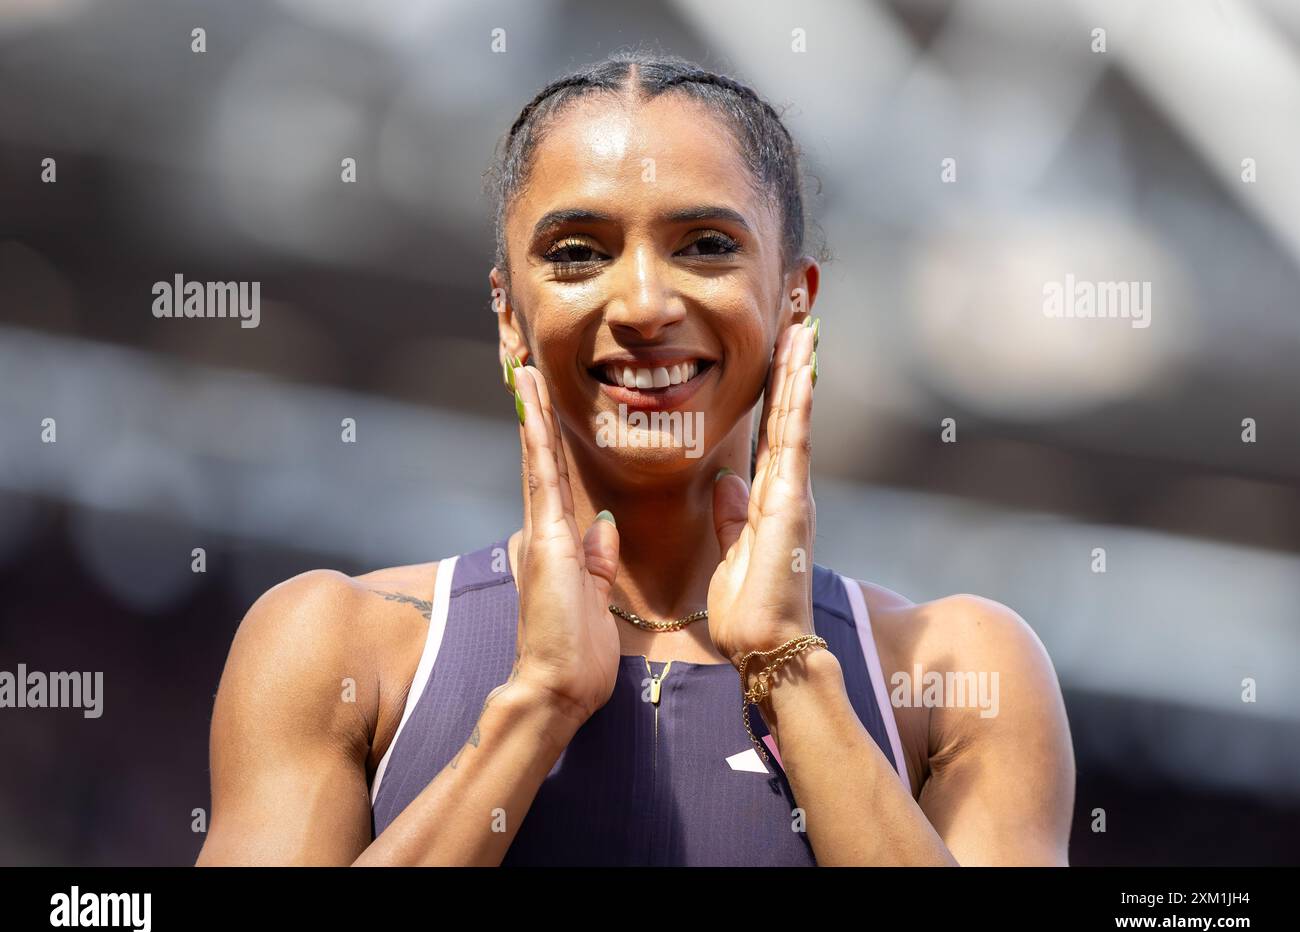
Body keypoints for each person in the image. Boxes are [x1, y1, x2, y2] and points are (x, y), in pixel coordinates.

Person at [196, 50, 1075, 866]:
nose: (646, 305)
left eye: (707, 245)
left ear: (794, 301)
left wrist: (790, 669)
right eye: (578, 253)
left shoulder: (955, 672)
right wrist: (537, 704)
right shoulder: (334, 644)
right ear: (509, 318)